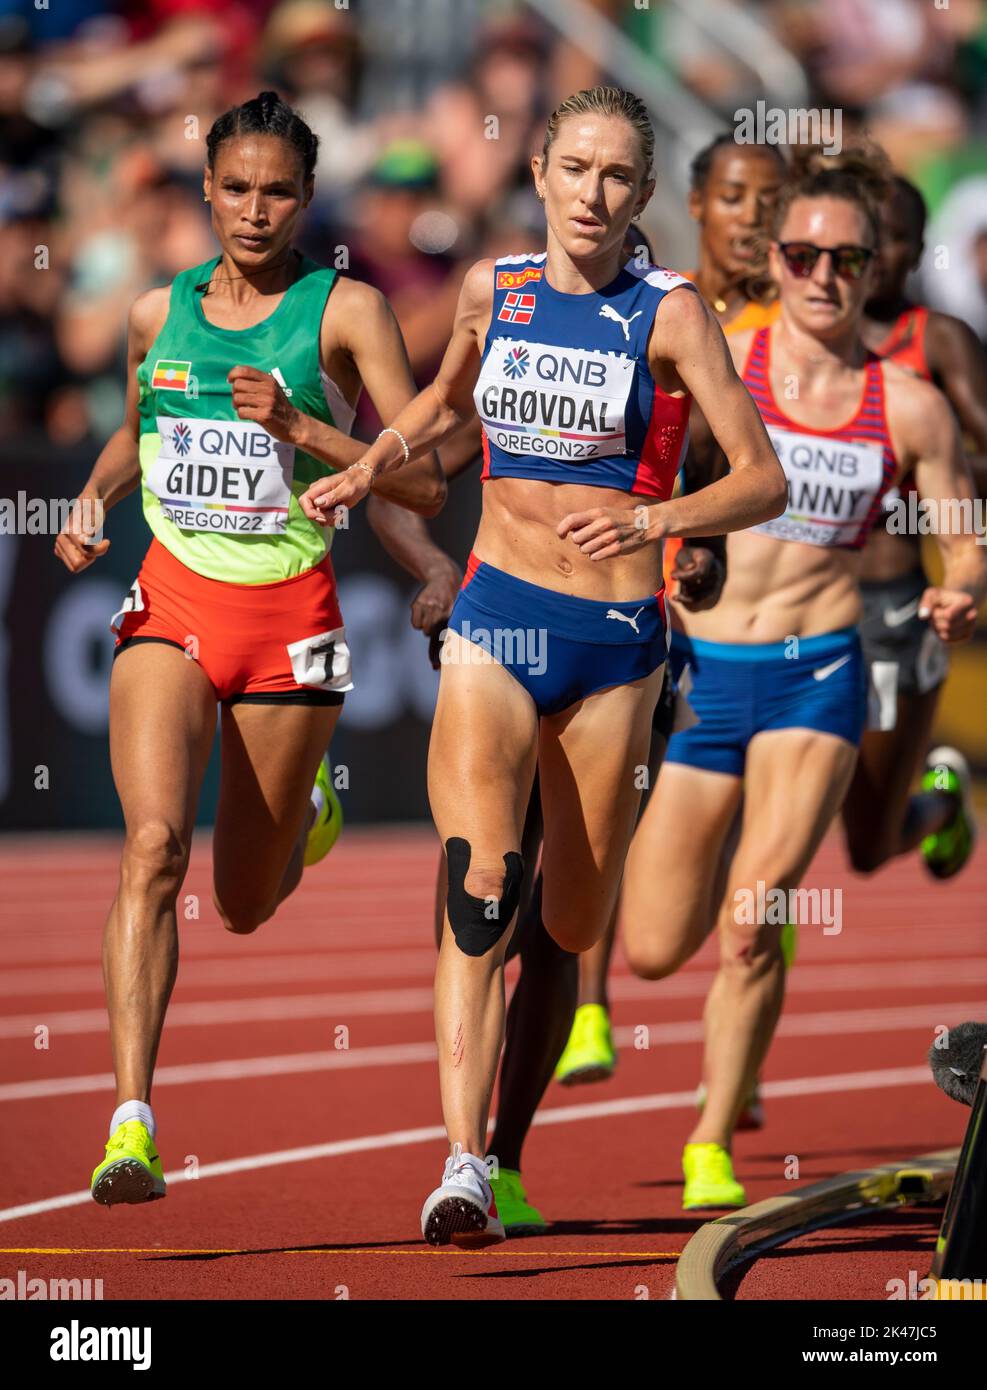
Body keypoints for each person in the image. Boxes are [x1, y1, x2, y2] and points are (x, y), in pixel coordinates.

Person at [301, 85, 786, 1245]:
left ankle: (544, 1037)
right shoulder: (495, 289)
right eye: (575, 169)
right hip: (494, 612)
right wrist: (371, 465)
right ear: (539, 175)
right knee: (481, 891)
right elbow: (440, 405)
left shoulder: (670, 316)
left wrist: (656, 524)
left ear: (643, 196)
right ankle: (463, 1163)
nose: (593, 194)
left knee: (569, 917)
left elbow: (761, 478)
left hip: (616, 646)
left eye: (617, 176)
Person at [53, 91, 445, 1207]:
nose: (255, 210)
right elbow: (141, 426)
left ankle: (302, 814)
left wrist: (306, 428)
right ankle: (132, 1120)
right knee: (153, 846)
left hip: (294, 624)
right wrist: (90, 496)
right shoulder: (152, 313)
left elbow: (420, 474)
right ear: (206, 189)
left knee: (242, 901)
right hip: (172, 603)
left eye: (278, 191)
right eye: (235, 187)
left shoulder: (348, 313)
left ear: (309, 198)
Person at [619, 144, 987, 1213]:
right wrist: (667, 553)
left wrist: (961, 585)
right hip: (711, 672)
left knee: (753, 908)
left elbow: (964, 536)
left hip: (821, 674)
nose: (824, 275)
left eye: (847, 259)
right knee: (647, 948)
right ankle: (757, 932)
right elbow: (652, 469)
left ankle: (708, 1135)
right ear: (772, 259)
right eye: (803, 254)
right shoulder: (717, 355)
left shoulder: (906, 403)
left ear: (876, 270)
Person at [555, 135, 787, 1099]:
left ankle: (741, 1039)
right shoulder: (651, 302)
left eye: (771, 201)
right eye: (735, 196)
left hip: (763, 608)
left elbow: (741, 471)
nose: (755, 218)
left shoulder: (788, 320)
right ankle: (589, 1005)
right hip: (623, 592)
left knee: (778, 845)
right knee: (597, 802)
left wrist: (699, 547)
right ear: (694, 202)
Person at [843, 173, 987, 878]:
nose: (875, 256)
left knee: (867, 846)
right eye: (862, 240)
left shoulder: (935, 340)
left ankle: (941, 805)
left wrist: (918, 462)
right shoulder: (798, 339)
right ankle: (759, 939)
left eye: (894, 239)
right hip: (793, 607)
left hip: (891, 609)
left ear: (918, 249)